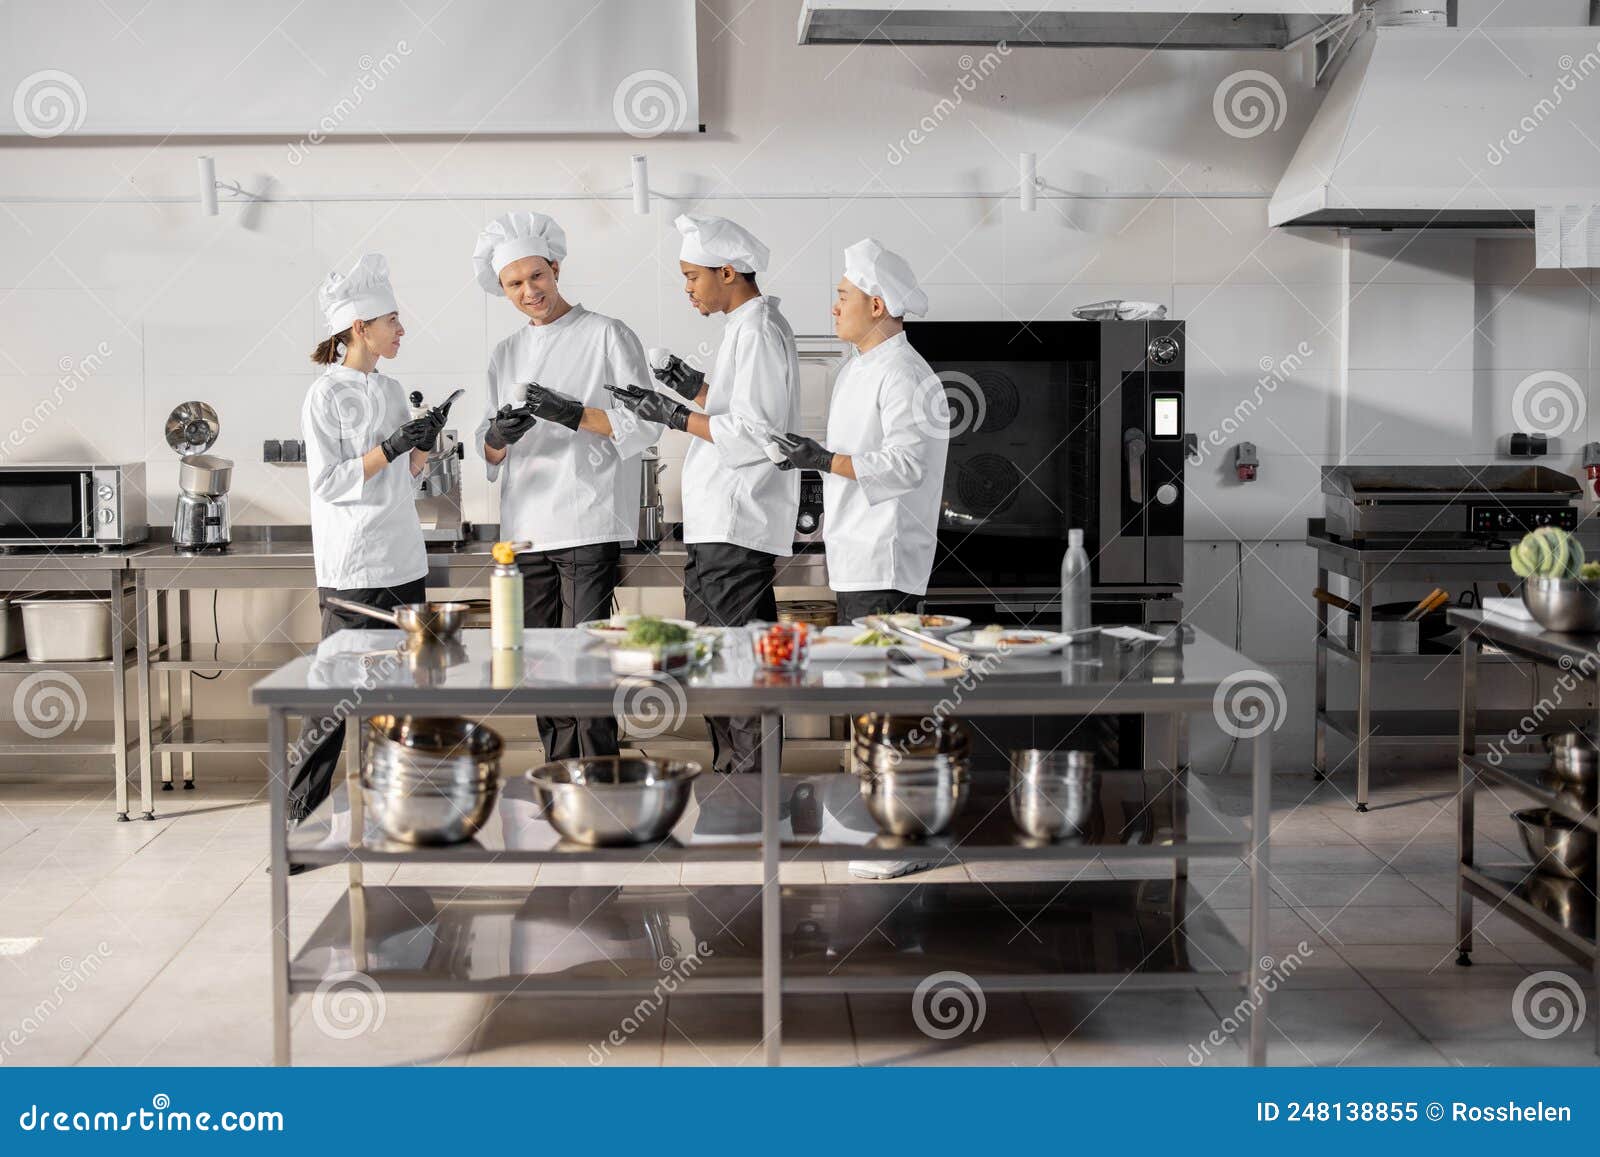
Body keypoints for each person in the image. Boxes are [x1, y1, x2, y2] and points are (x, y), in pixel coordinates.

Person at [770, 238, 949, 880]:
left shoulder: (907, 374)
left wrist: (821, 459)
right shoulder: (861, 367)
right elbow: (857, 458)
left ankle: (904, 837)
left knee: (889, 701)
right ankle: (882, 824)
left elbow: (905, 465)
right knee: (869, 698)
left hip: (886, 559)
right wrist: (814, 455)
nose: (834, 306)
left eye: (843, 296)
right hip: (856, 556)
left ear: (877, 304)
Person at [611, 213, 800, 775]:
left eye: (692, 276)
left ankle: (751, 795)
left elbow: (758, 433)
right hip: (723, 523)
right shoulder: (746, 325)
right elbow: (739, 409)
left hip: (736, 523)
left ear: (727, 271)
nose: (687, 288)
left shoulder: (759, 329)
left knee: (735, 668)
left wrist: (673, 416)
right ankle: (737, 784)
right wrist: (691, 387)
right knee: (720, 663)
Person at [473, 210, 659, 762]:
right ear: (502, 289)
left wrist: (574, 413)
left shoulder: (606, 333)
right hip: (525, 529)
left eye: (536, 276)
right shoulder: (504, 353)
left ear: (555, 268)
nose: (529, 291)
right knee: (539, 664)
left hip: (585, 518)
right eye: (514, 283)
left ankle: (598, 776)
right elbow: (489, 451)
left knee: (586, 663)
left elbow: (645, 423)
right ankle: (560, 773)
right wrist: (497, 437)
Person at [292, 253, 434, 829]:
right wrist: (391, 448)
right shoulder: (323, 396)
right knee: (334, 699)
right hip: (353, 566)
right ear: (360, 328)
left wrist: (424, 443)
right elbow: (328, 483)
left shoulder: (393, 387)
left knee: (405, 693)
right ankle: (301, 815)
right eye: (392, 320)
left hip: (403, 558)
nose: (401, 329)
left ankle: (395, 809)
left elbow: (409, 474)